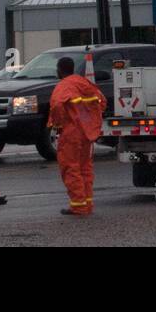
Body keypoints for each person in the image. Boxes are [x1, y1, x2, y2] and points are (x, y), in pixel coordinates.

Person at [47, 56, 107, 217]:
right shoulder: (84, 83)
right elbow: (102, 102)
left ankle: (79, 206)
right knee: (85, 168)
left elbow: (58, 105)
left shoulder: (63, 86)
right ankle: (86, 203)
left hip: (71, 132)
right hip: (87, 132)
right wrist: (91, 118)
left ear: (59, 70)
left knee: (70, 168)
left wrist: (59, 124)